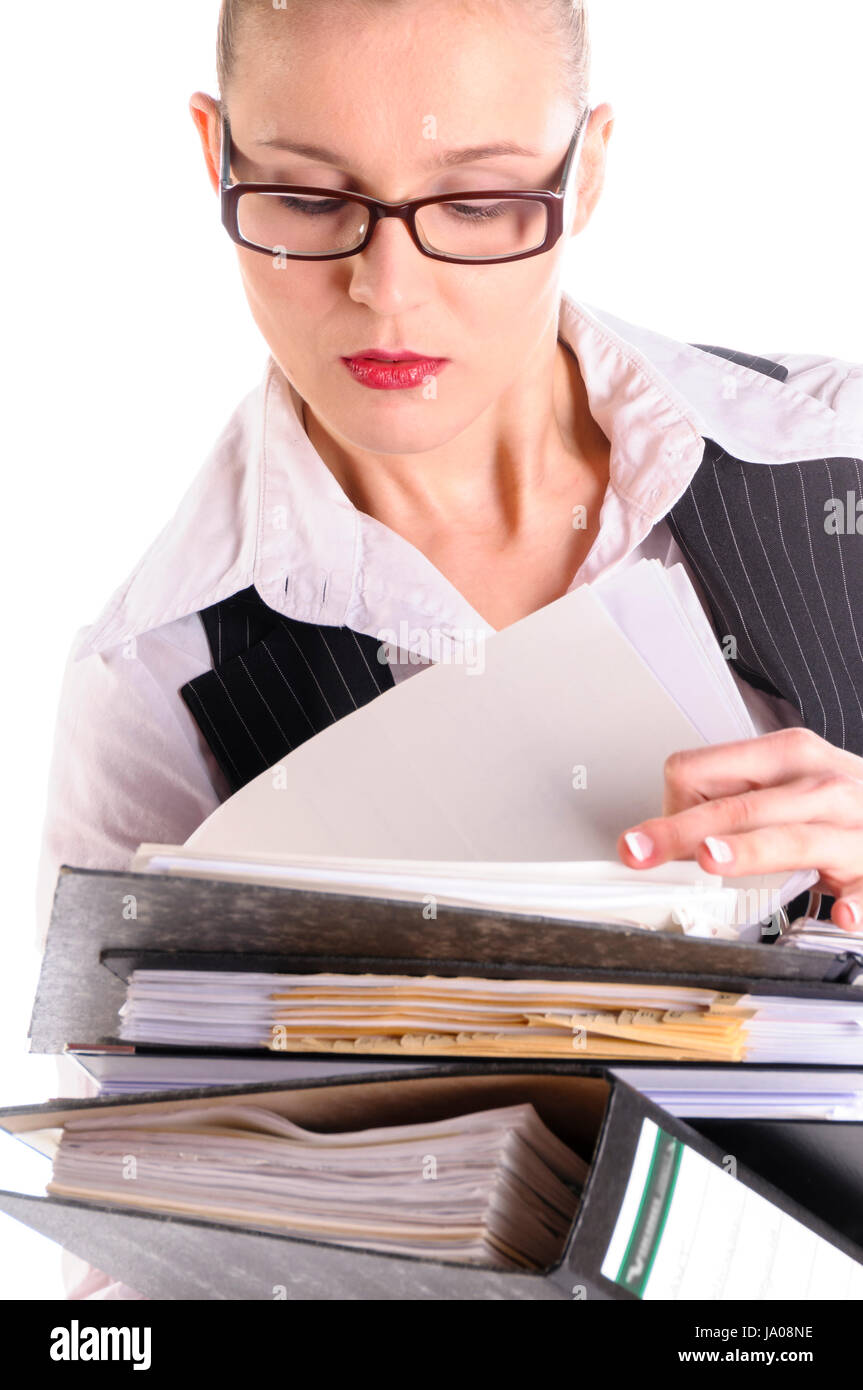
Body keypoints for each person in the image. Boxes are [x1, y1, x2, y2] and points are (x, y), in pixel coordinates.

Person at [35, 0, 863, 1298]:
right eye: (309, 199)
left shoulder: (836, 460)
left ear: (584, 170)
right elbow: (162, 1225)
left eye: (475, 204)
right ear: (216, 158)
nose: (388, 291)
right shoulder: (152, 679)